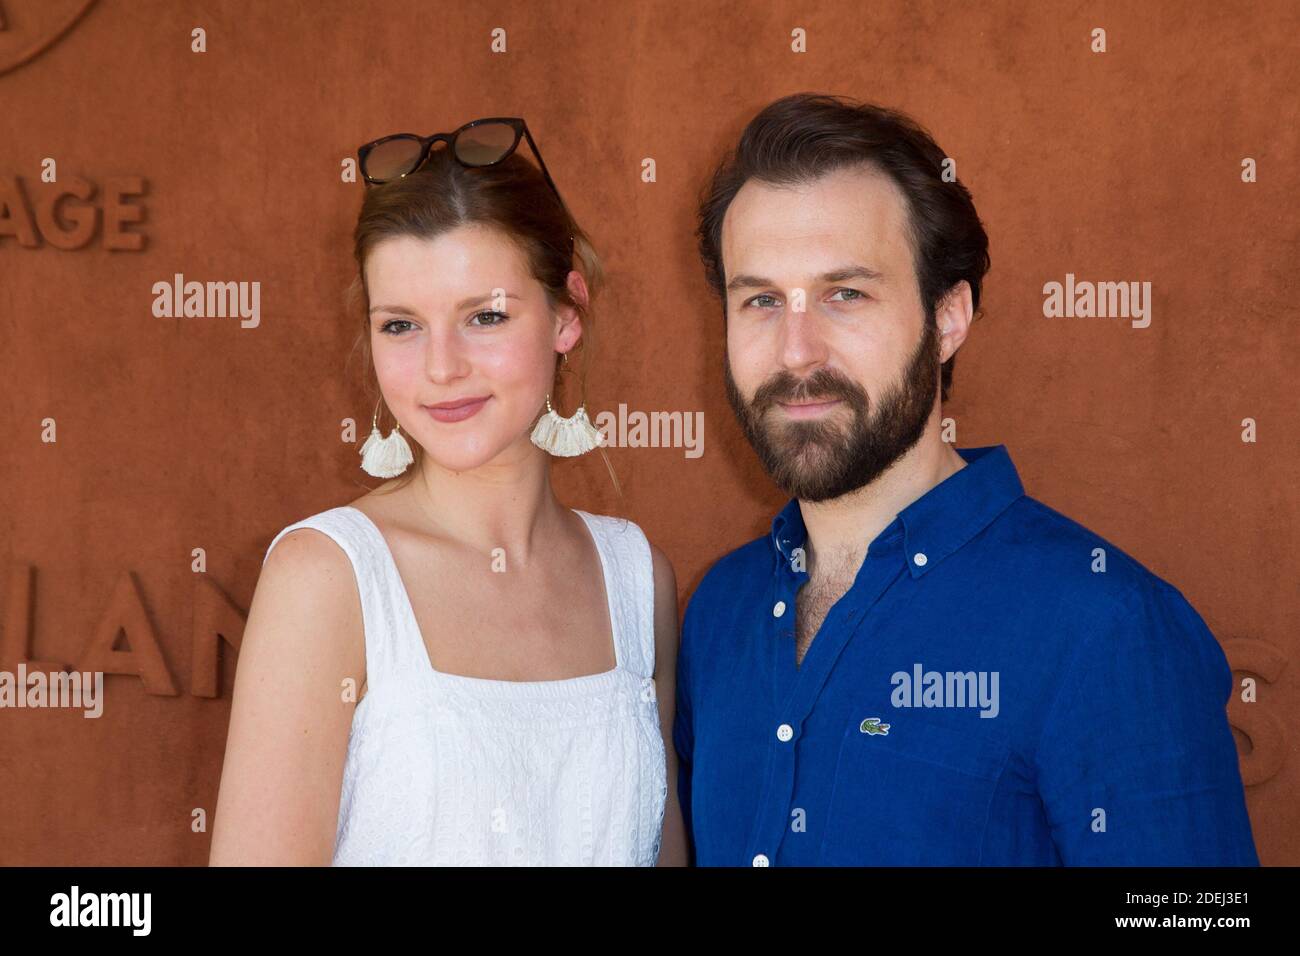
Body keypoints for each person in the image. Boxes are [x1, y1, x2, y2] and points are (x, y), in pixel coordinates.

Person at [673, 92, 1259, 866]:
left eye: (845, 294)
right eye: (760, 300)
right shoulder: (722, 609)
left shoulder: (1105, 626)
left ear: (948, 318)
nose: (795, 352)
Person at [209, 117, 686, 866]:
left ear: (567, 313)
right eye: (400, 325)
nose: (440, 367)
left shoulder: (636, 577)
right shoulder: (327, 577)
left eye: (486, 316)